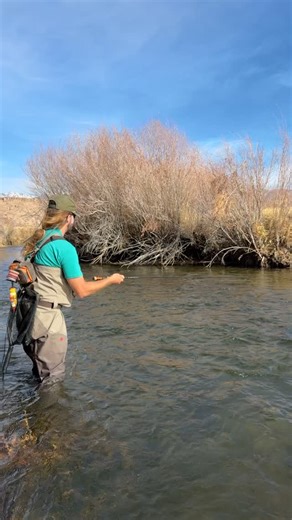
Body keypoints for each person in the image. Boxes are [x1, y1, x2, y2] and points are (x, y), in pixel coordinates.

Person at [21, 194, 125, 382]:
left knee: (39, 376)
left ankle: (33, 411)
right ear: (69, 218)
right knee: (52, 382)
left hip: (29, 319)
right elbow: (82, 291)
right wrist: (110, 280)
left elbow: (48, 278)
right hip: (48, 322)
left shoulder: (37, 241)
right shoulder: (63, 247)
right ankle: (47, 412)